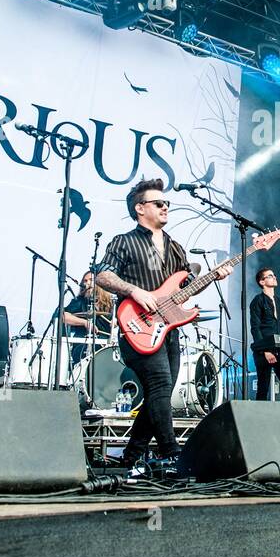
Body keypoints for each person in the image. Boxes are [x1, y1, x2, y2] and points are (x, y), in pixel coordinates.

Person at [94, 178, 230, 474]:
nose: (165, 206)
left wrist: (214, 276)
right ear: (140, 208)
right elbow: (102, 275)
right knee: (159, 386)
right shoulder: (123, 241)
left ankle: (129, 459)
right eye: (159, 203)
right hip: (137, 327)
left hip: (169, 330)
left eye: (167, 203)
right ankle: (172, 454)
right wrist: (134, 291)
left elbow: (186, 288)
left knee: (161, 393)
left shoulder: (176, 247)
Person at [250, 267, 280, 401]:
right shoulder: (258, 300)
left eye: (274, 275)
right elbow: (255, 327)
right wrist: (265, 350)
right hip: (263, 348)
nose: (274, 277)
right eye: (270, 276)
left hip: (279, 347)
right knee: (263, 387)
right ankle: (260, 420)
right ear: (262, 282)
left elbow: (278, 326)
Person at [62, 272, 113, 366]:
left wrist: (117, 322)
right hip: (82, 346)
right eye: (85, 281)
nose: (87, 283)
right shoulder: (79, 301)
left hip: (106, 347)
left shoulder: (111, 303)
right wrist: (85, 323)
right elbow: (63, 316)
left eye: (91, 280)